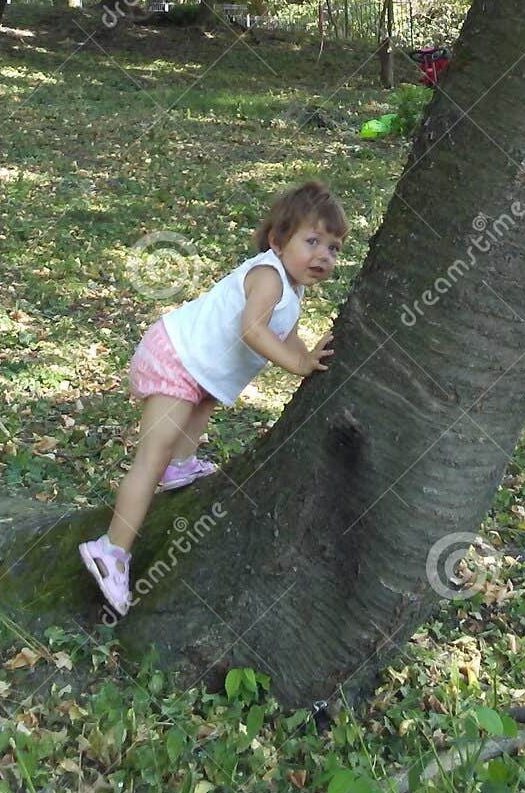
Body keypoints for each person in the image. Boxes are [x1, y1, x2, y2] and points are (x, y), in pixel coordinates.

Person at [79, 179, 348, 616]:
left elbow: (287, 334)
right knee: (151, 459)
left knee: (202, 406)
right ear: (278, 241)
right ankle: (111, 550)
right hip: (176, 358)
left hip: (198, 370)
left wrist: (307, 356)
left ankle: (181, 466)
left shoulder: (291, 289)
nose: (323, 256)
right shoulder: (268, 277)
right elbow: (253, 330)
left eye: (333, 248)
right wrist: (297, 366)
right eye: (312, 241)